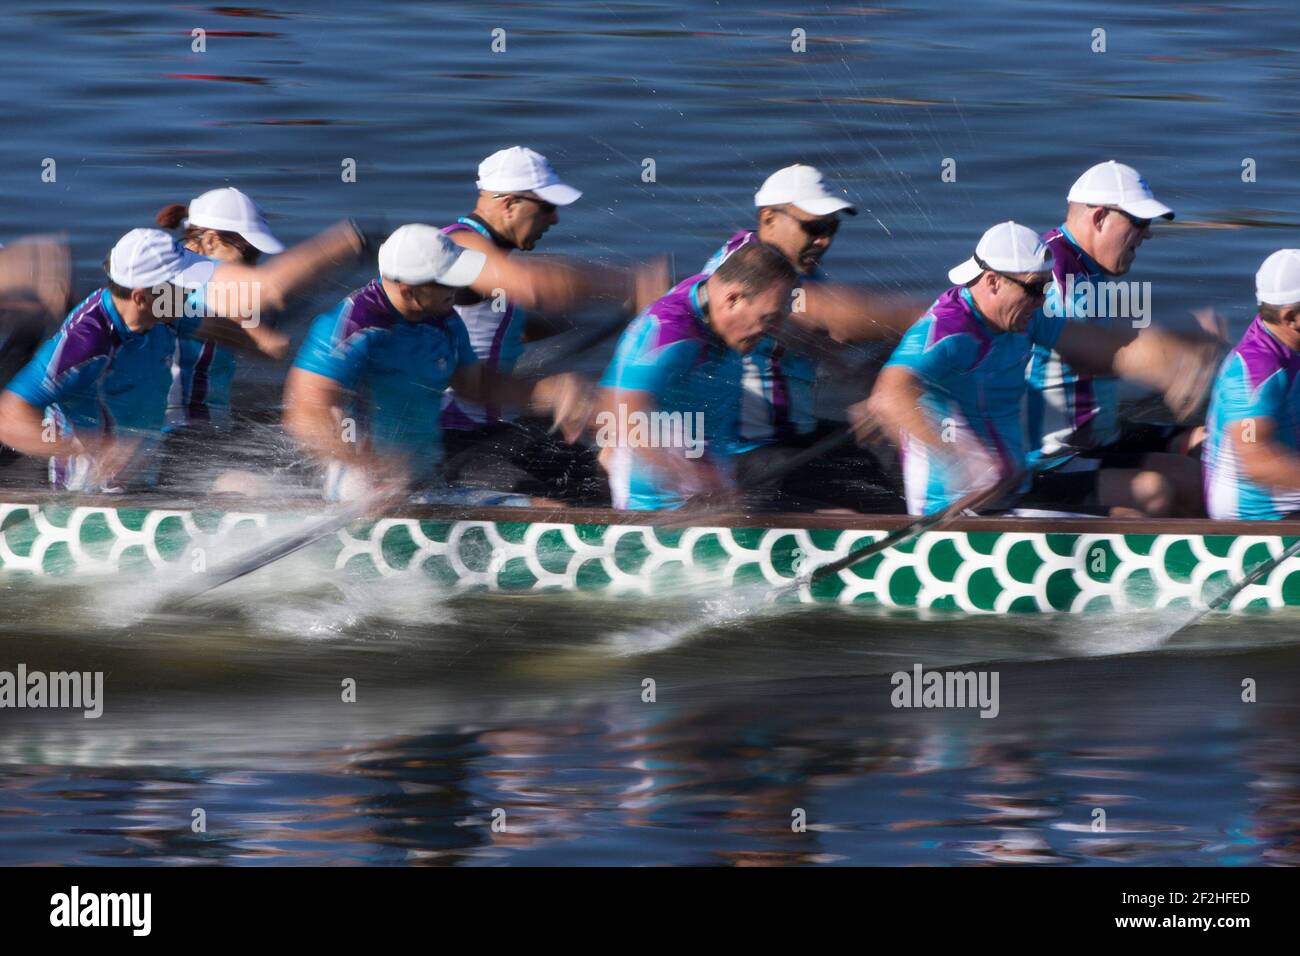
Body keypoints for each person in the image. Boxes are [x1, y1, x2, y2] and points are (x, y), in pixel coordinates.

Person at [855, 221, 1217, 517]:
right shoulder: (949, 332)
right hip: (960, 511)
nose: (1042, 300)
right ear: (993, 281)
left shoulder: (1023, 318)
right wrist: (958, 460)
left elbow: (1097, 348)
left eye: (1045, 288)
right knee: (1130, 520)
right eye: (1033, 289)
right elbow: (889, 396)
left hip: (1015, 487)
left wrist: (1169, 364)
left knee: (1153, 492)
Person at [0, 219, 363, 491]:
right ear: (141, 295)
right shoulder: (84, 345)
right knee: (250, 490)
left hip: (150, 470)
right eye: (178, 285)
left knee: (260, 484)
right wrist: (87, 447)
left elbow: (207, 324)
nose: (187, 292)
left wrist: (260, 346)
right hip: (94, 494)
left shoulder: (162, 307)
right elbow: (10, 415)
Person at [283, 224, 588, 505]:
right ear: (408, 290)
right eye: (449, 282)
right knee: (537, 510)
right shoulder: (352, 327)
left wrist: (551, 392)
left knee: (545, 508)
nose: (460, 288)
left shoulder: (445, 322)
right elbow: (306, 412)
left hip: (427, 480)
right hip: (363, 490)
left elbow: (477, 385)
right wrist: (369, 466)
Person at [439, 146, 666, 503]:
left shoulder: (493, 263)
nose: (555, 219)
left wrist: (619, 314)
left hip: (498, 427)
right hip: (448, 439)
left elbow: (510, 327)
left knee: (602, 484)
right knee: (550, 506)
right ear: (508, 204)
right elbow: (534, 287)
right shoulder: (455, 247)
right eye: (546, 207)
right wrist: (631, 283)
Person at [701, 164, 921, 511]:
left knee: (901, 458)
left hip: (792, 439)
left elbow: (826, 341)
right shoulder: (741, 265)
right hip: (742, 455)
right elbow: (834, 319)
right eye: (815, 227)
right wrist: (935, 316)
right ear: (769, 218)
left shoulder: (800, 271)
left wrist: (875, 383)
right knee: (875, 500)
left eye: (832, 228)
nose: (825, 240)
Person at [1025, 161, 1204, 515]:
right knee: (1157, 490)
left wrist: (1183, 348)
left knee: (1210, 443)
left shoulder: (1088, 269)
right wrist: (1167, 368)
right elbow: (1087, 351)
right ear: (1100, 217)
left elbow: (1116, 338)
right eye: (1138, 222)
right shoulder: (1052, 272)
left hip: (1098, 438)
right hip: (1051, 460)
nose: (1148, 234)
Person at [598, 240, 797, 510]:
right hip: (656, 506)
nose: (775, 331)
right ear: (733, 300)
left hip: (713, 480)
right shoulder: (669, 333)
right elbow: (620, 414)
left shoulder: (718, 287)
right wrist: (692, 477)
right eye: (768, 319)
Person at [1203, 250, 1300, 519]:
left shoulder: (1287, 341)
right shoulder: (1255, 370)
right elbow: (1256, 461)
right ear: (1291, 317)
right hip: (1260, 519)